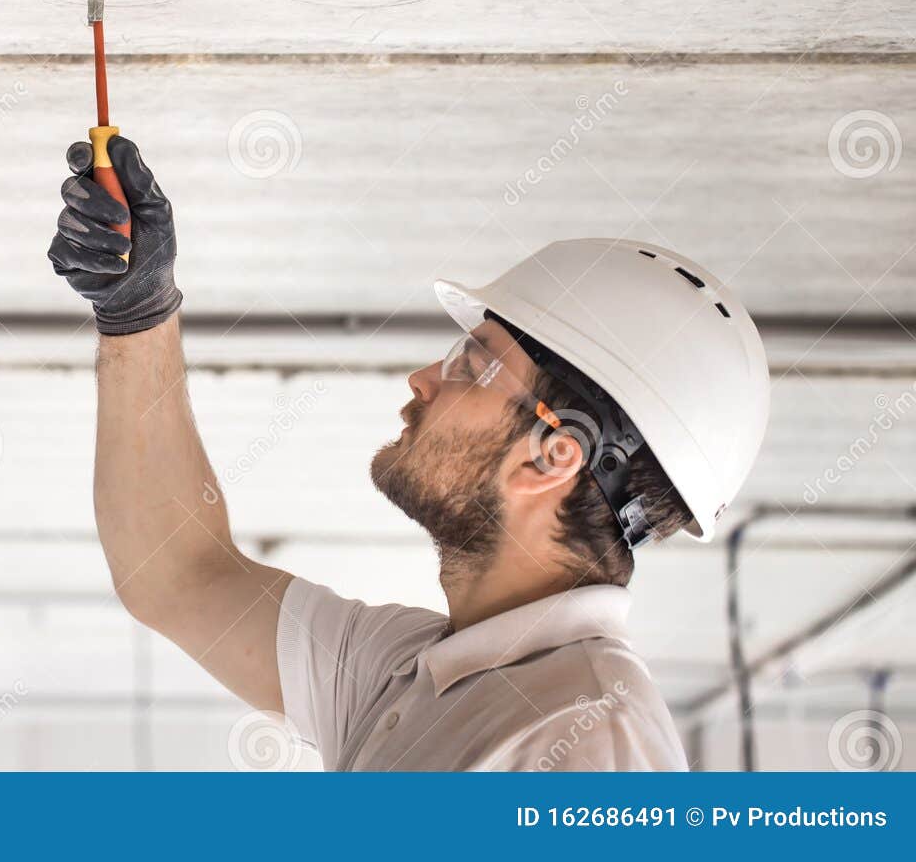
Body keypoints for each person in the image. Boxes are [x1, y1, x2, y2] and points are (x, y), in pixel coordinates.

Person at [47, 135, 771, 771]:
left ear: (554, 453)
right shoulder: (411, 670)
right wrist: (136, 313)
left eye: (471, 362)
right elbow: (175, 573)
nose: (423, 379)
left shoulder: (592, 741)